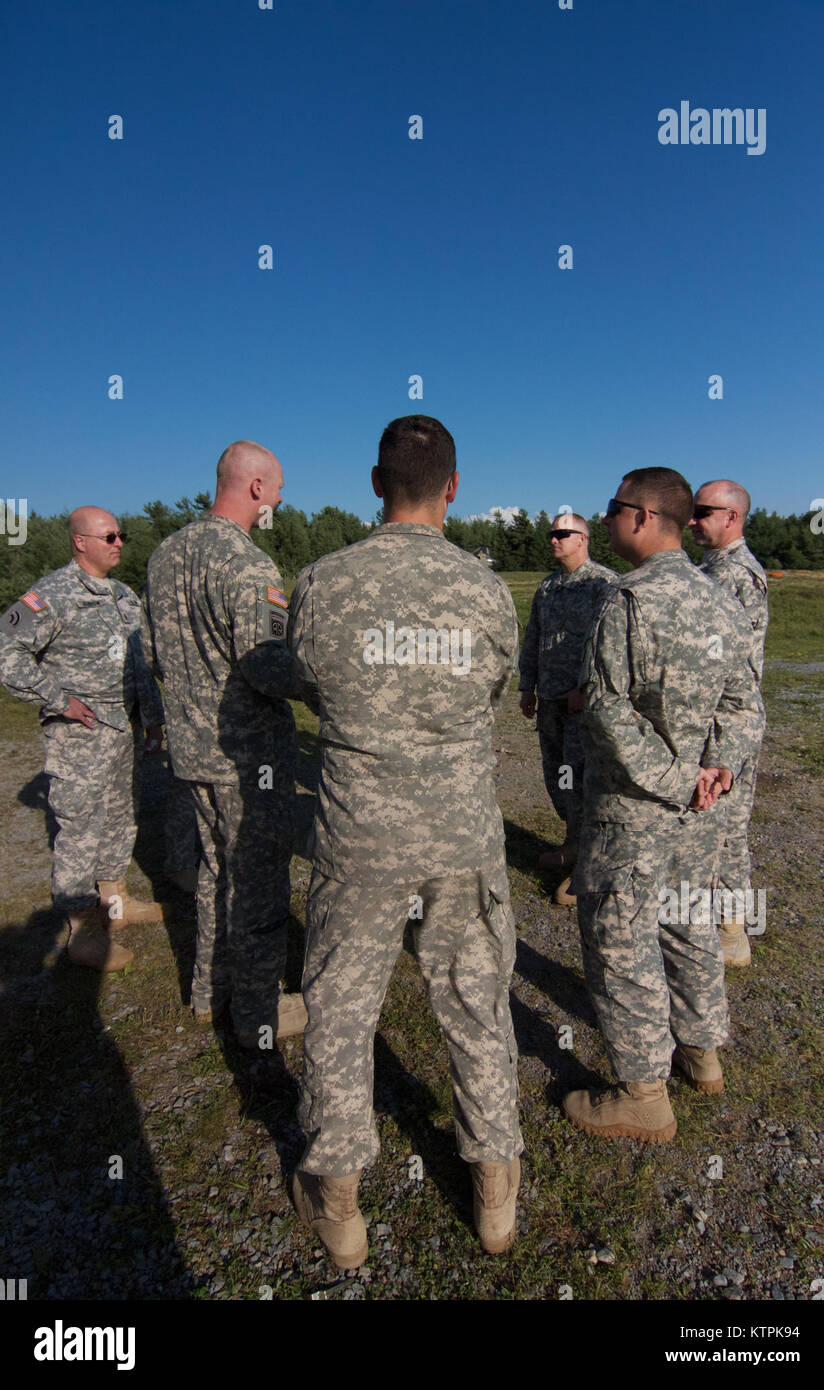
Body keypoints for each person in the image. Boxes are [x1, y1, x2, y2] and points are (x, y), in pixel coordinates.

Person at [287, 415, 523, 1268]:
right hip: (459, 831)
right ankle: (495, 1188)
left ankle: (340, 1201)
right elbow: (494, 688)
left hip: (359, 836)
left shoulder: (324, 581)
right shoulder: (487, 590)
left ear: (377, 482)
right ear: (454, 487)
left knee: (342, 1010)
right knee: (475, 1000)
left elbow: (309, 680)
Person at [563, 469, 763, 1142]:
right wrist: (718, 772)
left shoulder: (627, 602)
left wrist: (681, 780)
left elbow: (606, 711)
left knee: (621, 939)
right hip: (700, 813)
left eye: (615, 510)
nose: (608, 519)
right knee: (688, 921)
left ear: (644, 518)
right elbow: (745, 706)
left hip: (636, 811)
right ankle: (703, 1055)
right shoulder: (720, 600)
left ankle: (644, 1093)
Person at [139, 441, 306, 1049]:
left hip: (191, 751)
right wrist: (319, 682)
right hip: (246, 760)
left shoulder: (163, 556)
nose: (282, 498)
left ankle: (209, 992)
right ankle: (257, 1015)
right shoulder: (248, 565)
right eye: (280, 486)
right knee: (258, 886)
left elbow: (154, 655)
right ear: (256, 487)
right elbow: (268, 668)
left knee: (215, 873)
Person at [0, 508, 165, 971]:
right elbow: (2, 652)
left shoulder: (124, 596)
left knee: (122, 817)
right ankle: (82, 932)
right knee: (80, 830)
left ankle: (115, 904)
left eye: (120, 534)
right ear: (79, 541)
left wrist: (152, 717)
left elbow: (140, 663)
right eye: (108, 536)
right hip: (79, 735)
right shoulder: (51, 594)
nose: (119, 542)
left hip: (123, 729)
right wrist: (56, 698)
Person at [518, 514, 617, 905]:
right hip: (551, 705)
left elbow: (610, 646)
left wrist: (586, 687)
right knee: (559, 778)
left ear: (584, 538)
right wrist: (527, 685)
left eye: (563, 534)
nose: (554, 540)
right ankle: (573, 842)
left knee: (584, 782)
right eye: (552, 534)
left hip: (583, 707)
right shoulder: (548, 588)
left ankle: (588, 868)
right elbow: (534, 637)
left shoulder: (603, 584)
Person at [690, 479, 769, 967]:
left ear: (732, 517)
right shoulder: (710, 568)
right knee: (709, 827)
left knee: (728, 831)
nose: (693, 520)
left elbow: (736, 673)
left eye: (704, 512)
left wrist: (722, 749)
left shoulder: (739, 575)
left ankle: (731, 931)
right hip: (707, 724)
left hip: (727, 727)